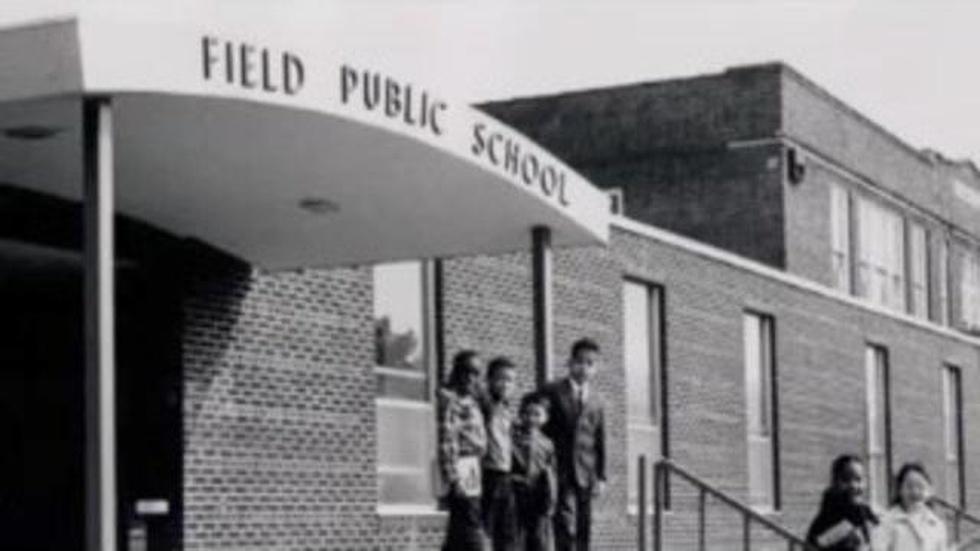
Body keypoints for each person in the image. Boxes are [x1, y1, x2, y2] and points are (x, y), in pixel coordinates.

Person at [541, 338, 606, 551]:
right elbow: (542, 429)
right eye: (580, 361)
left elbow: (599, 440)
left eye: (590, 363)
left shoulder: (597, 400)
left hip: (586, 471)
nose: (584, 368)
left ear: (595, 368)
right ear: (570, 362)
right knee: (564, 520)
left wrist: (601, 476)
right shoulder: (552, 391)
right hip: (559, 468)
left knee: (584, 523)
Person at [439, 350, 490, 551]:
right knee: (472, 528)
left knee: (457, 533)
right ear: (456, 373)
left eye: (476, 373)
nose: (470, 378)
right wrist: (453, 478)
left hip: (473, 467)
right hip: (461, 466)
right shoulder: (451, 401)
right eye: (466, 372)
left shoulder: (474, 402)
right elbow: (447, 439)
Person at [874, 462, 980, 551]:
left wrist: (970, 541)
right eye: (909, 486)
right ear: (899, 490)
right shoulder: (888, 522)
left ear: (929, 491)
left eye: (920, 487)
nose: (915, 492)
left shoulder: (936, 525)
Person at [481, 356, 519, 551]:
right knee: (485, 529)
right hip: (487, 474)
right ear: (489, 380)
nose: (505, 384)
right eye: (500, 378)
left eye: (510, 380)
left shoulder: (506, 410)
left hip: (506, 475)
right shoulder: (484, 405)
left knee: (508, 533)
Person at [512, 391, 558, 551]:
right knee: (516, 541)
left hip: (538, 501)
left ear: (545, 417)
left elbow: (552, 476)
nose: (531, 418)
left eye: (537, 414)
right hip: (516, 498)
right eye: (527, 413)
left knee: (539, 542)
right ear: (520, 414)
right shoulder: (513, 439)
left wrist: (550, 502)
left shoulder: (547, 444)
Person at [805, 454, 879, 551]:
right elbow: (816, 544)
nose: (853, 485)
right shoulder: (825, 519)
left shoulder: (866, 513)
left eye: (858, 480)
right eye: (846, 479)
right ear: (834, 482)